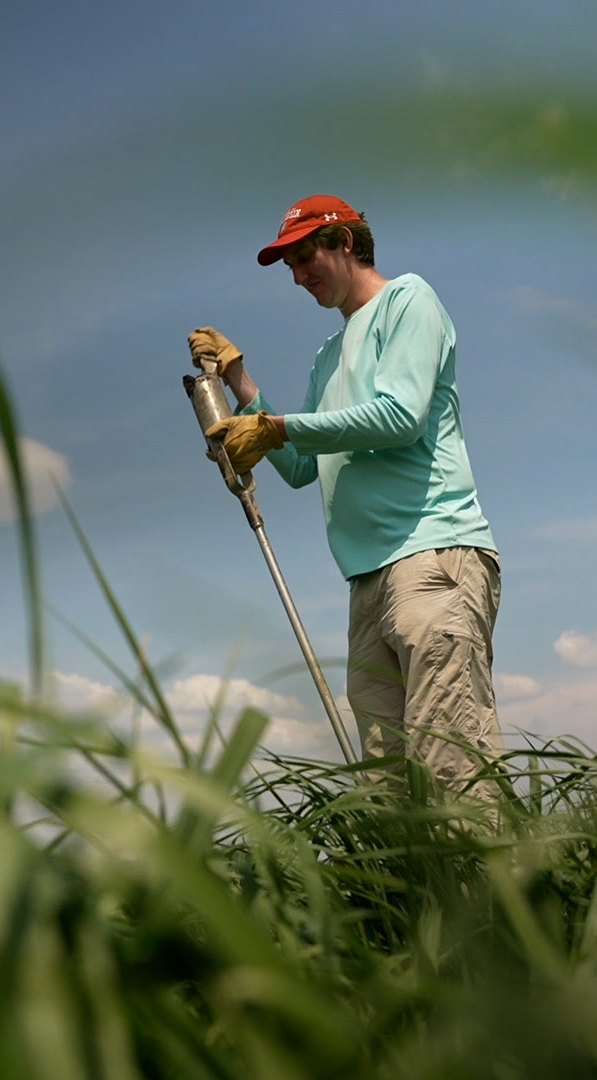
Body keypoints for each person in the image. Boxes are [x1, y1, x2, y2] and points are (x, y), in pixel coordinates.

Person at [187, 194, 502, 800]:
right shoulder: (327, 356)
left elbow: (399, 418)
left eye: (308, 257)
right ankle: (422, 900)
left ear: (346, 244)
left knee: (453, 766)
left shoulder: (408, 300)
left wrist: (276, 427)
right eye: (291, 267)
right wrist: (240, 385)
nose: (300, 276)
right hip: (366, 580)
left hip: (432, 556)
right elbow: (303, 467)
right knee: (387, 789)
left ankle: (501, 896)